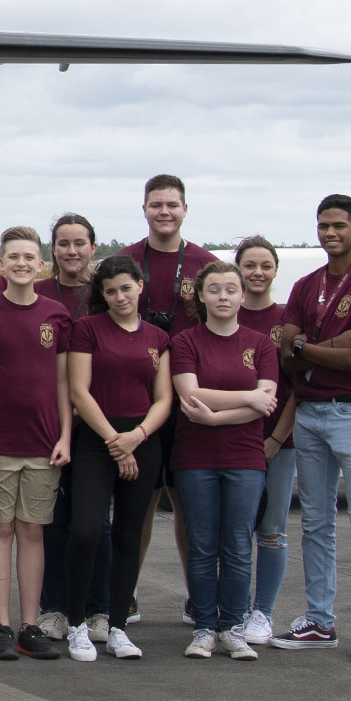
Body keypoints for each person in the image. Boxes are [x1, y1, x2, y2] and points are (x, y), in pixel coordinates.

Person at [267, 196, 351, 660]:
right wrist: (317, 345)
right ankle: (320, 621)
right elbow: (284, 355)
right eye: (323, 225)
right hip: (311, 412)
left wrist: (303, 345)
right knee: (316, 522)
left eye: (339, 225)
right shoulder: (304, 285)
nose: (330, 233)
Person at [0, 224, 74, 660]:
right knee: (0, 528)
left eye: (30, 257)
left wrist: (65, 434)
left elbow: (63, 381)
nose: (22, 264)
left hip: (44, 443)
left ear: (40, 264)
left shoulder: (56, 315)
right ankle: (2, 626)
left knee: (31, 530)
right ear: (0, 263)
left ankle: (30, 624)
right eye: (13, 258)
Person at [168, 257, 278, 659]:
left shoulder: (261, 344)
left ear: (242, 294)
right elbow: (190, 393)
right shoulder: (185, 342)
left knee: (237, 545)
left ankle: (233, 627)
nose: (223, 296)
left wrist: (215, 419)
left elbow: (265, 403)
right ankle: (203, 628)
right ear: (201, 295)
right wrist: (247, 397)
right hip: (195, 458)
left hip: (246, 458)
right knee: (201, 545)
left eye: (231, 289)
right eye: (214, 289)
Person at [62, 252, 169, 661]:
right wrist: (115, 440)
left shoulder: (158, 338)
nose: (120, 297)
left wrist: (137, 436)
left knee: (129, 535)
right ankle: (76, 624)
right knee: (86, 528)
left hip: (144, 442)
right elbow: (78, 391)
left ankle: (118, 625)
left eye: (126, 288)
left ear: (140, 287)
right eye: (110, 291)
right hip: (96, 440)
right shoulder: (87, 329)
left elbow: (163, 399)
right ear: (101, 295)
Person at [230, 234, 297, 650]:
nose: (257, 273)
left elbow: (295, 388)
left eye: (265, 266)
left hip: (276, 444)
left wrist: (276, 438)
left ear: (275, 270)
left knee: (271, 530)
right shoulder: (221, 313)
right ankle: (232, 609)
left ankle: (263, 612)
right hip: (229, 440)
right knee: (232, 531)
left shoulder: (288, 319)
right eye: (249, 266)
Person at [124, 176, 214, 334]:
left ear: (184, 209)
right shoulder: (123, 261)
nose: (164, 212)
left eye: (172, 205)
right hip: (133, 356)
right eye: (156, 205)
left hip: (190, 357)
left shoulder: (208, 265)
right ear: (144, 209)